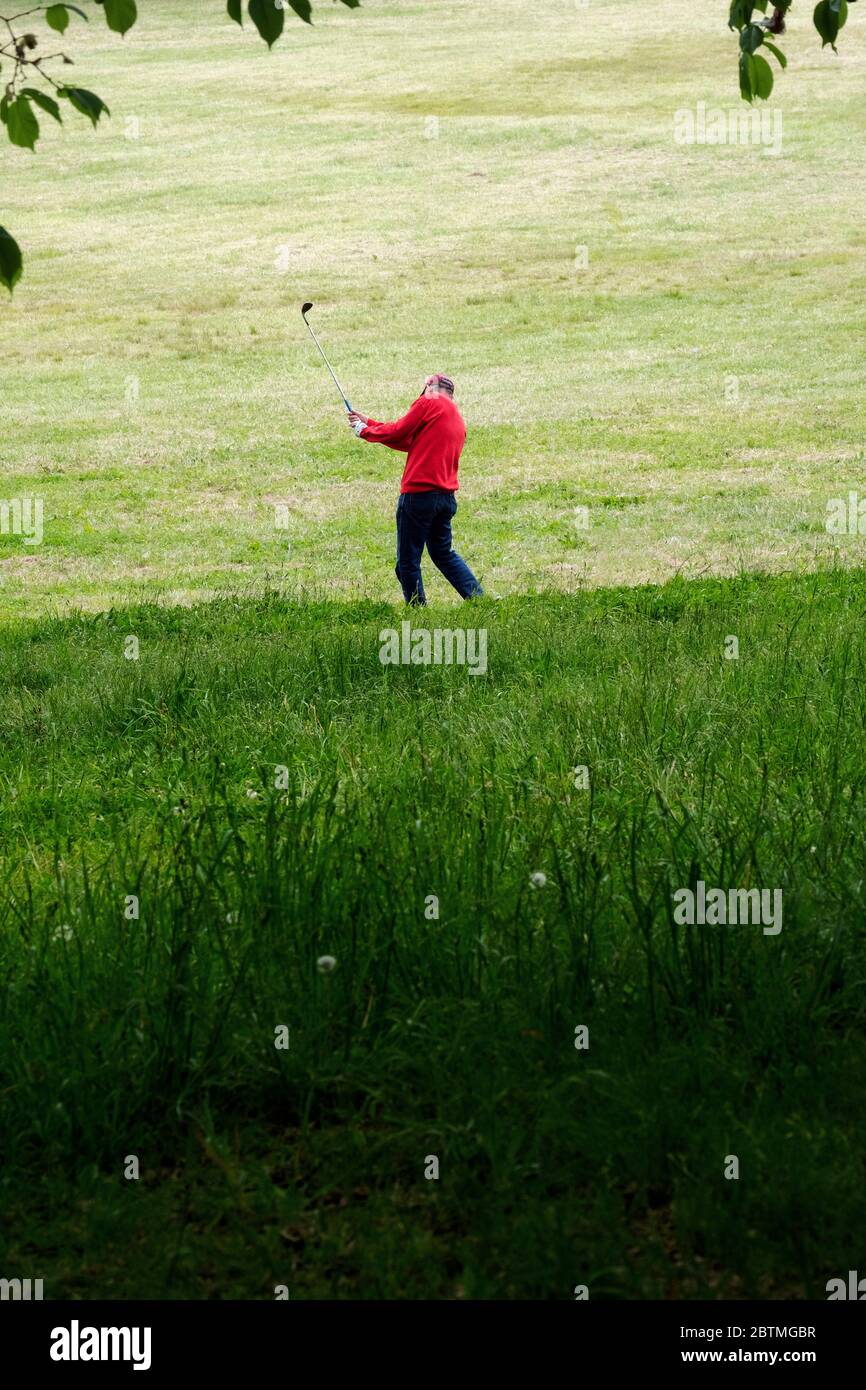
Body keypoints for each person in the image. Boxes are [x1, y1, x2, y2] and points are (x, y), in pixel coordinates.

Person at [347, 374, 483, 605]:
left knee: (407, 562)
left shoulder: (429, 401)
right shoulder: (456, 419)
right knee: (443, 554)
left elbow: (399, 431)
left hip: (418, 496)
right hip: (445, 499)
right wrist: (368, 422)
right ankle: (479, 599)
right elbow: (409, 441)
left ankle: (418, 612)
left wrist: (363, 431)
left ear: (430, 387)